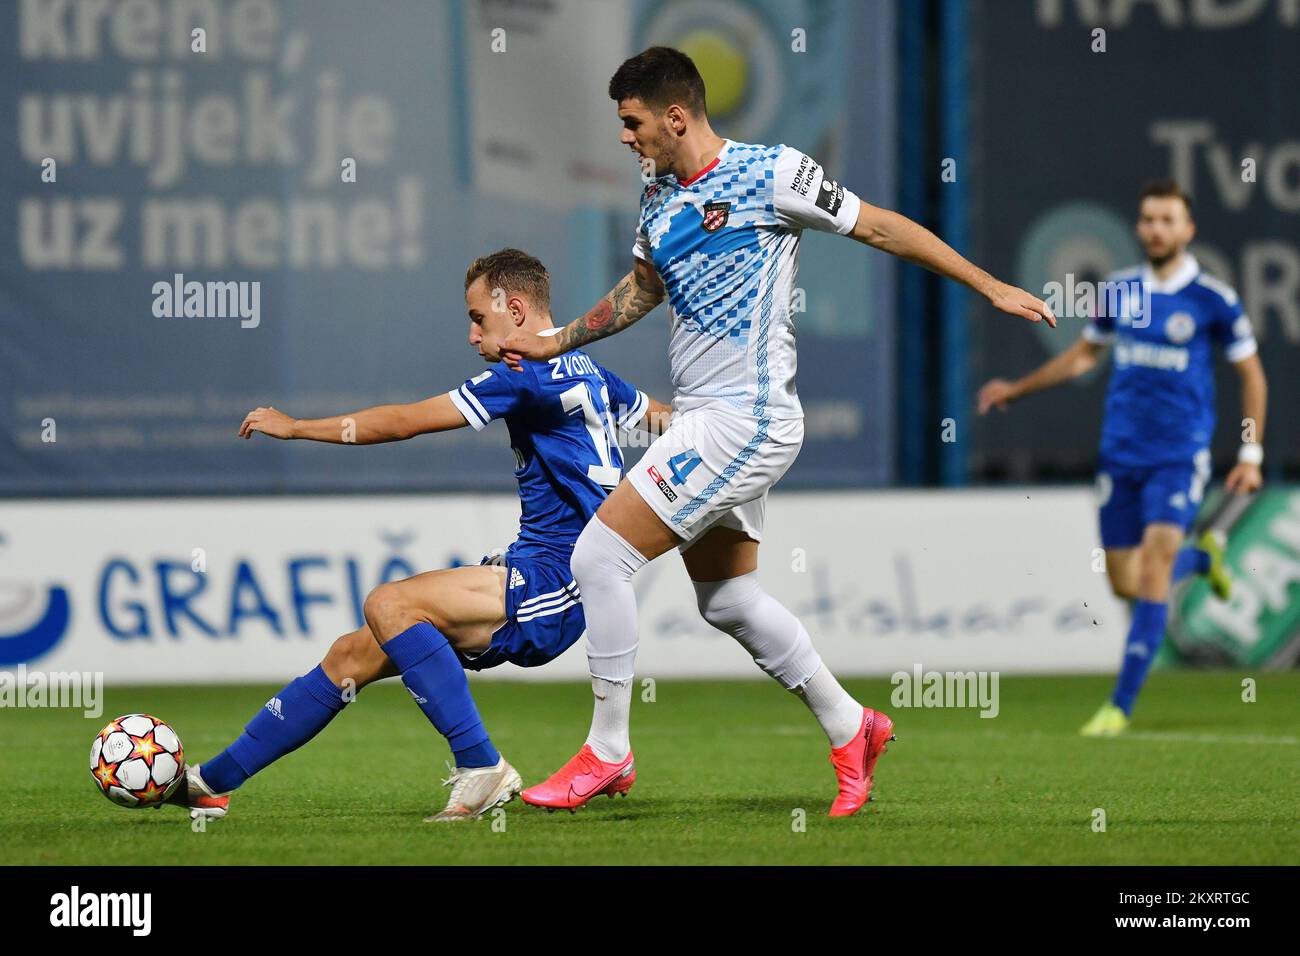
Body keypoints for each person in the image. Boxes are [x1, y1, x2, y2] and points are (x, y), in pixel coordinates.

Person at [500, 47, 1054, 816]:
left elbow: (883, 229)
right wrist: (555, 340)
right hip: (705, 418)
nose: (624, 138)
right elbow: (643, 288)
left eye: (632, 123)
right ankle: (850, 725)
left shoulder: (772, 173)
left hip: (746, 418)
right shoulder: (658, 192)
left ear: (675, 115)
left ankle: (608, 752)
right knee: (726, 598)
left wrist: (989, 286)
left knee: (600, 556)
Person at [167, 248, 669, 821]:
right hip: (541, 571)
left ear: (517, 308)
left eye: (479, 318)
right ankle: (212, 781)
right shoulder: (587, 369)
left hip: (555, 581)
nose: (472, 335)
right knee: (353, 654)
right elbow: (660, 418)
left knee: (391, 604)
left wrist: (298, 426)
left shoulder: (522, 373)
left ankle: (482, 767)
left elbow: (405, 421)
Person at [978, 180, 1267, 736]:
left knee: (1155, 566)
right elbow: (1084, 358)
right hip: (1120, 455)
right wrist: (1017, 388)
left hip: (1179, 454)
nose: (1154, 229)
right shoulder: (1117, 291)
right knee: (1125, 582)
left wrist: (1250, 451)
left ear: (1188, 230)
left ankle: (1120, 706)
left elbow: (1250, 374)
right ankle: (1204, 560)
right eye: (1147, 219)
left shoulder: (1214, 300)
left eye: (1166, 220)